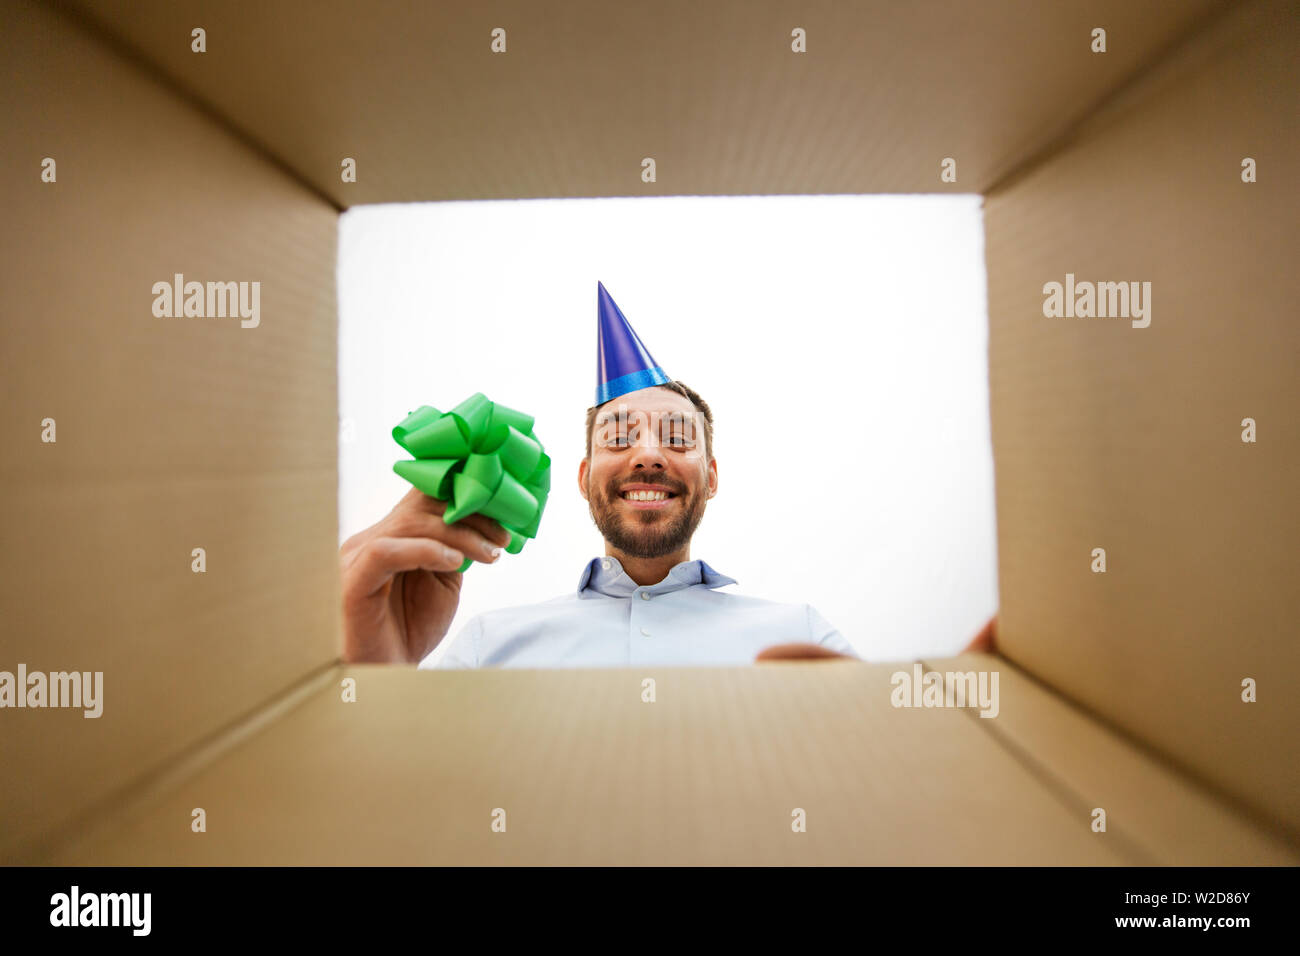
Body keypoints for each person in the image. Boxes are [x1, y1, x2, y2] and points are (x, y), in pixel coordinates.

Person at [340, 282, 995, 666]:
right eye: (619, 438)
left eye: (677, 438)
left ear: (711, 475)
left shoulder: (799, 635)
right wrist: (376, 681)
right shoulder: (486, 646)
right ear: (582, 475)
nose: (648, 454)